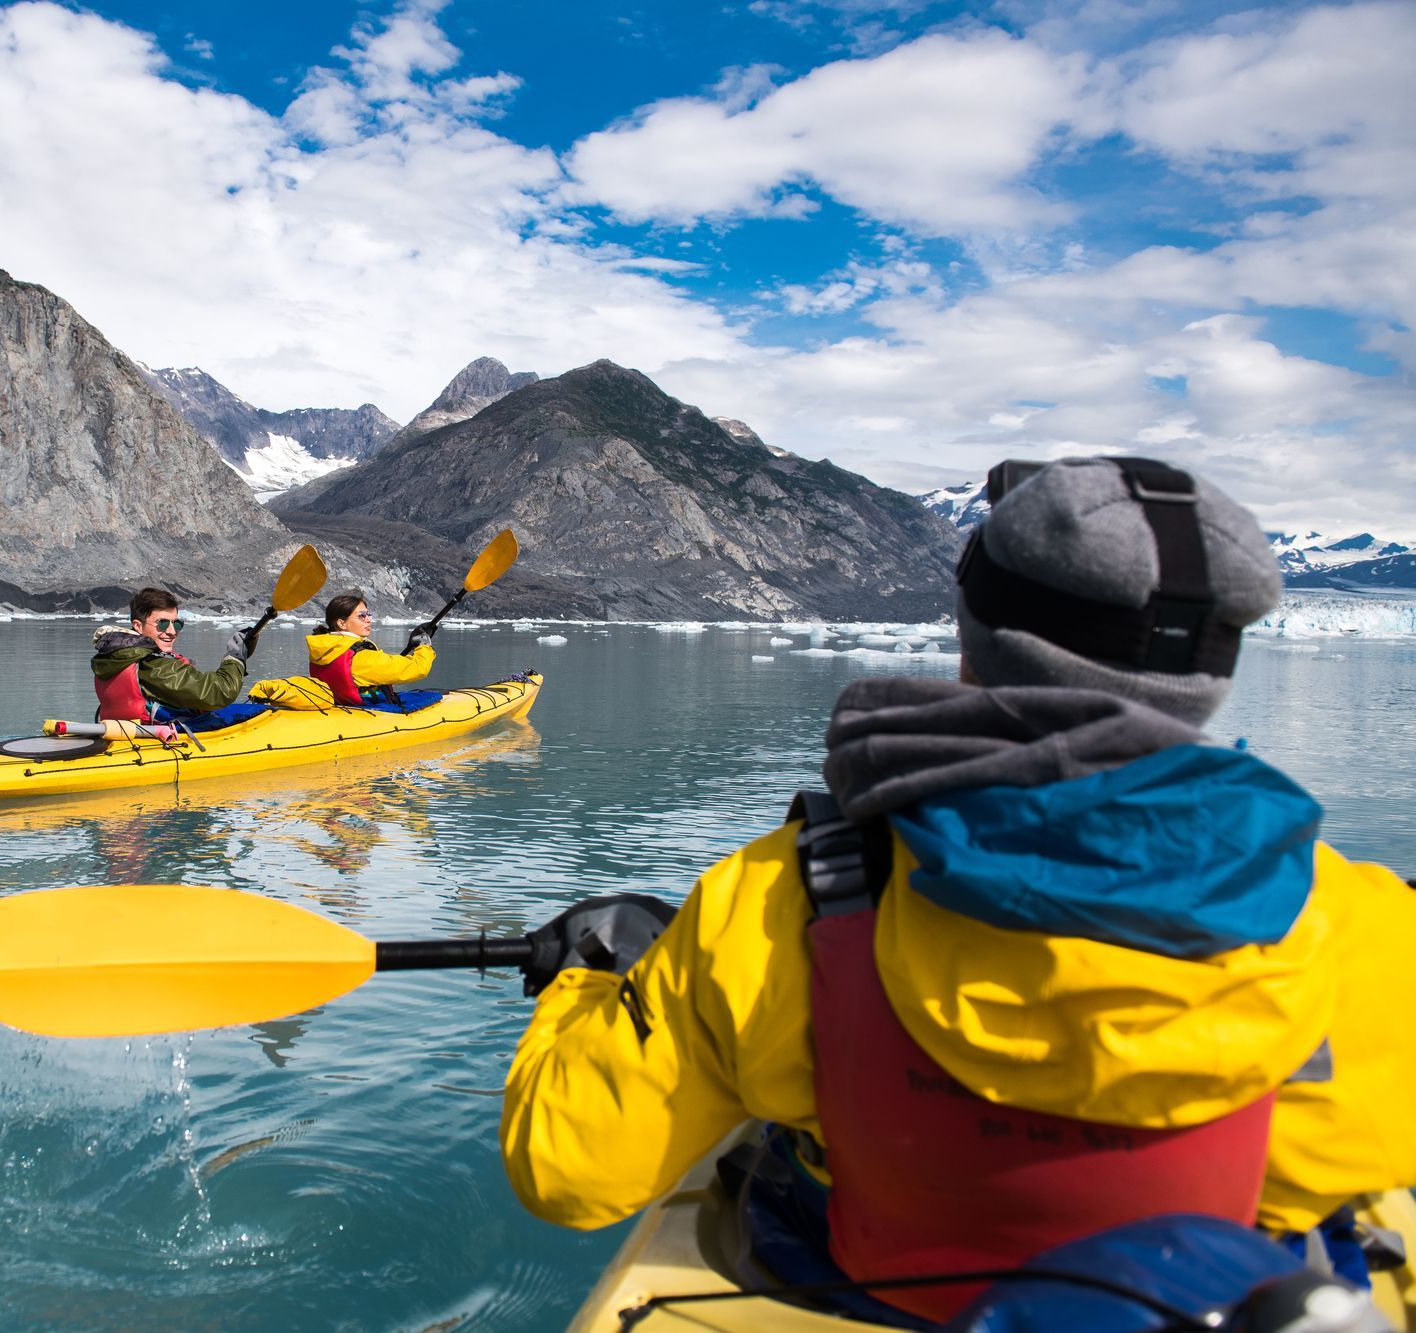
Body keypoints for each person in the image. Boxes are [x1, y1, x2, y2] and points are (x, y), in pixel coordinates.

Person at [500, 456, 1416, 1323]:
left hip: (857, 1290)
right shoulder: (1366, 924)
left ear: (973, 632)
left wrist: (589, 974)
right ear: (1214, 672)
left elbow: (567, 1170)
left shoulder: (786, 894)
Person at [91, 587, 254, 721]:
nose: (171, 631)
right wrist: (235, 657)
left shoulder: (116, 656)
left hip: (133, 734)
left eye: (176, 623)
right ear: (138, 626)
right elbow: (218, 692)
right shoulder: (154, 665)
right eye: (162, 624)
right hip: (158, 739)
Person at [306, 592, 435, 706]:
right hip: (368, 711)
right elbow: (417, 668)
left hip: (341, 705)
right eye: (362, 616)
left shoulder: (324, 650)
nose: (368, 620)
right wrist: (423, 645)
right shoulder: (361, 658)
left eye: (368, 614)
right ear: (342, 623)